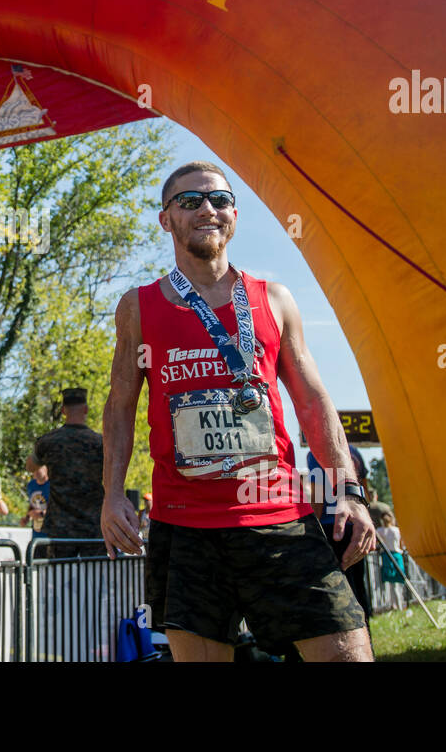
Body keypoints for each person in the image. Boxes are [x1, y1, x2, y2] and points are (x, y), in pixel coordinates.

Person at [100, 161, 376, 663]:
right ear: (166, 220)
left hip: (277, 514)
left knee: (348, 654)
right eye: (190, 201)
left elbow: (312, 400)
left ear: (234, 215)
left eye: (220, 199)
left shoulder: (275, 299)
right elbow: (120, 406)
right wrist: (112, 493)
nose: (208, 209)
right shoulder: (138, 307)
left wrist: (349, 491)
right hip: (185, 523)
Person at [30, 387, 105, 558]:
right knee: (92, 581)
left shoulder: (48, 442)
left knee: (60, 580)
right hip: (93, 526)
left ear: (63, 411)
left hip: (60, 528)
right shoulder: (100, 443)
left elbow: (31, 466)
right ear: (85, 409)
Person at [307, 445, 373, 624]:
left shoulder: (316, 451)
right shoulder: (355, 452)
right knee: (358, 586)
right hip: (356, 525)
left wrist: (313, 529)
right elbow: (366, 493)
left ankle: (347, 633)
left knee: (338, 588)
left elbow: (318, 494)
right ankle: (365, 635)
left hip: (333, 528)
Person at [22, 461, 50, 540]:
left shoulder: (52, 485)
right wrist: (27, 518)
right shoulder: (31, 485)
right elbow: (32, 503)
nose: (36, 472)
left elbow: (58, 508)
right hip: (36, 533)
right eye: (34, 469)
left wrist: (42, 513)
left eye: (39, 468)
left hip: (51, 534)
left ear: (46, 469)